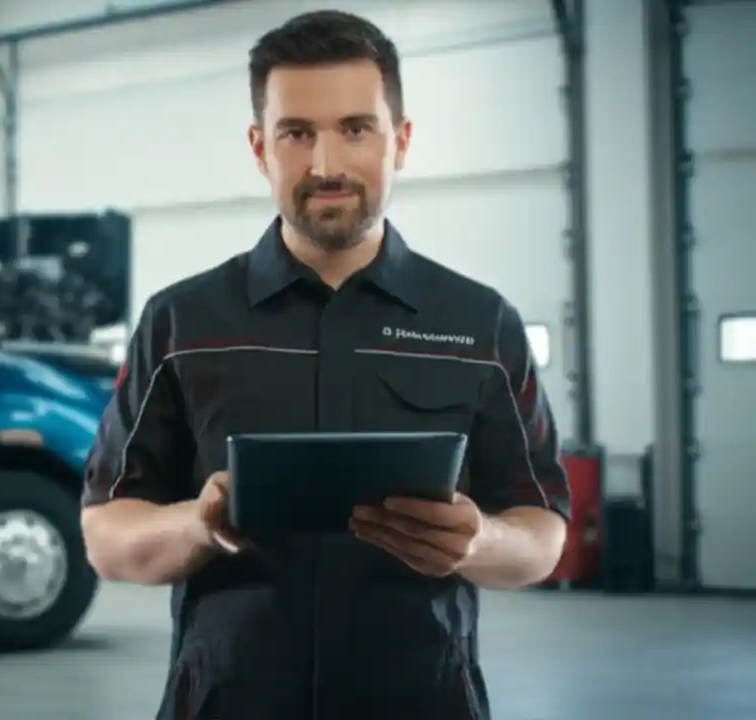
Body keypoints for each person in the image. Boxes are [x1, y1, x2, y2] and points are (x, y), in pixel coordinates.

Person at [78, 9, 572, 720]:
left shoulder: (479, 323)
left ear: (399, 141)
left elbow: (543, 530)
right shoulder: (181, 323)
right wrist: (199, 525)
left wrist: (479, 541)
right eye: (297, 133)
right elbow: (106, 535)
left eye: (355, 129)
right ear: (259, 147)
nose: (326, 165)